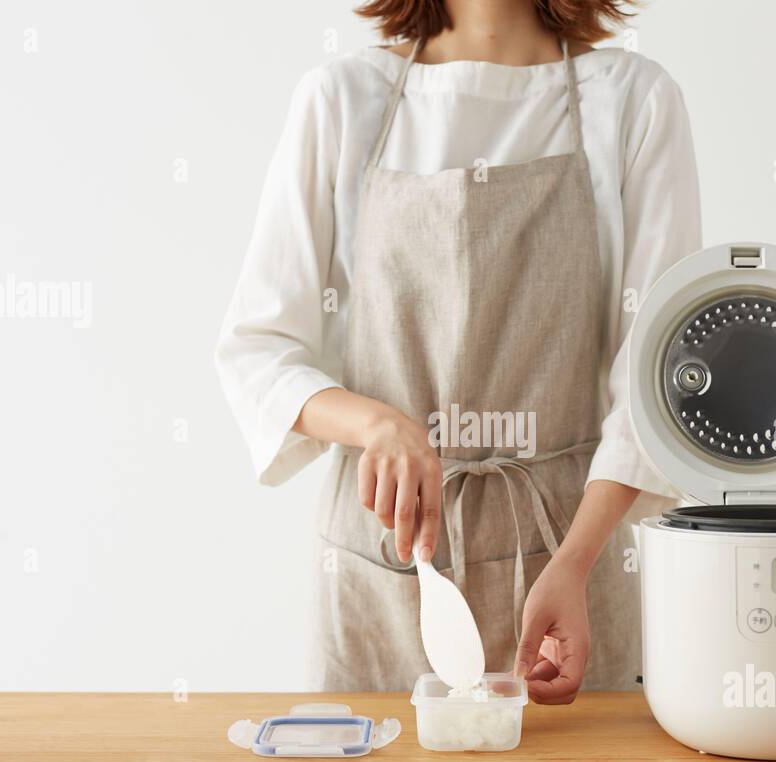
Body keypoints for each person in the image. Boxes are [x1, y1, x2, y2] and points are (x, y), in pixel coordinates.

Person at [216, 0, 700, 703]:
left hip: (571, 563)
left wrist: (575, 562)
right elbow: (258, 348)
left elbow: (655, 385)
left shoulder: (634, 102)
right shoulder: (342, 100)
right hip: (381, 562)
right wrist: (377, 425)